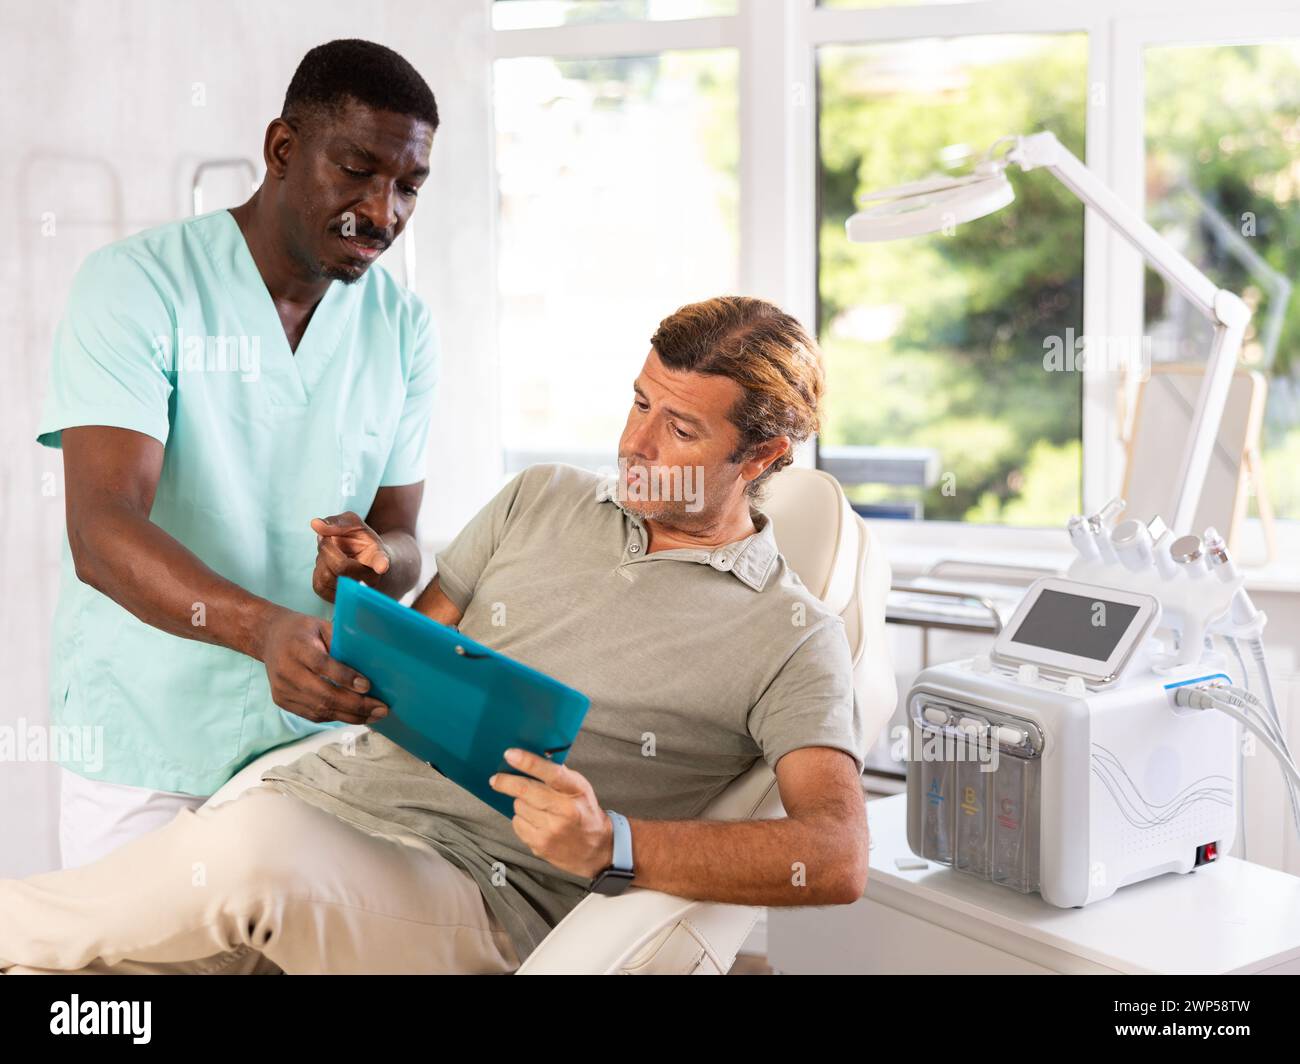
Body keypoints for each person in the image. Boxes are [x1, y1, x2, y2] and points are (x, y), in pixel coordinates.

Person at [1, 297, 877, 975]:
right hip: (326, 805)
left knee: (245, 859)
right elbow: (402, 666)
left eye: (680, 428)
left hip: (473, 890)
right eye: (638, 403)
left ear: (760, 457)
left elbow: (835, 856)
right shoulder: (540, 498)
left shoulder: (791, 636)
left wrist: (614, 842)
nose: (635, 444)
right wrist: (355, 594)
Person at [37, 39, 441, 869]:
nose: (383, 210)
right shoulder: (138, 286)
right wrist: (261, 632)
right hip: (150, 744)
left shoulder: (402, 328)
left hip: (313, 742)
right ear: (283, 150)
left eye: (407, 186)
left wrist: (373, 559)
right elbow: (101, 528)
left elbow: (402, 538)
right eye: (358, 170)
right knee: (128, 980)